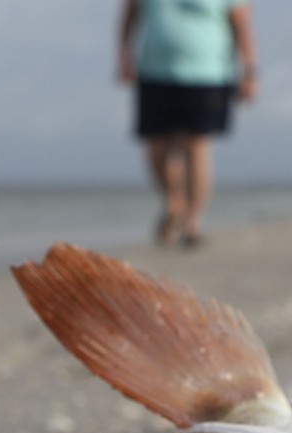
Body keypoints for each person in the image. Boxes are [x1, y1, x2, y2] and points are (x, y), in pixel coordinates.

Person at [118, 0, 257, 249]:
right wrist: (124, 54)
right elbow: (131, 11)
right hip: (154, 72)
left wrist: (249, 71)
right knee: (156, 147)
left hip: (209, 73)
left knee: (197, 144)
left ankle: (193, 221)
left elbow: (242, 23)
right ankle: (175, 202)